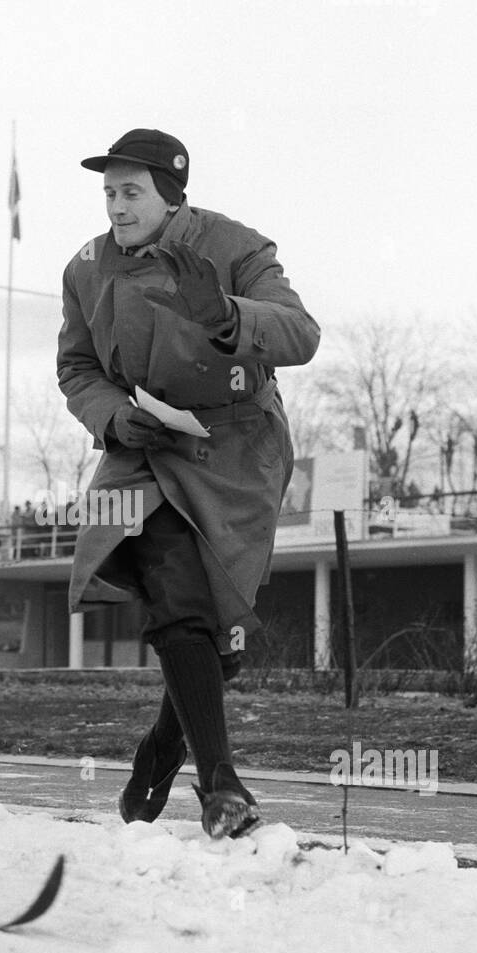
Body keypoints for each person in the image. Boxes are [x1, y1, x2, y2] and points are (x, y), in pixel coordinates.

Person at [58, 130, 320, 838]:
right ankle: (221, 788)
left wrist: (229, 315)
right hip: (142, 449)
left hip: (237, 452)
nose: (116, 207)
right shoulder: (85, 268)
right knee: (175, 595)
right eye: (109, 193)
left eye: (131, 192)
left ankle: (160, 748)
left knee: (220, 636)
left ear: (172, 195)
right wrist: (114, 416)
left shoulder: (236, 246)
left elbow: (301, 335)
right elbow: (77, 368)